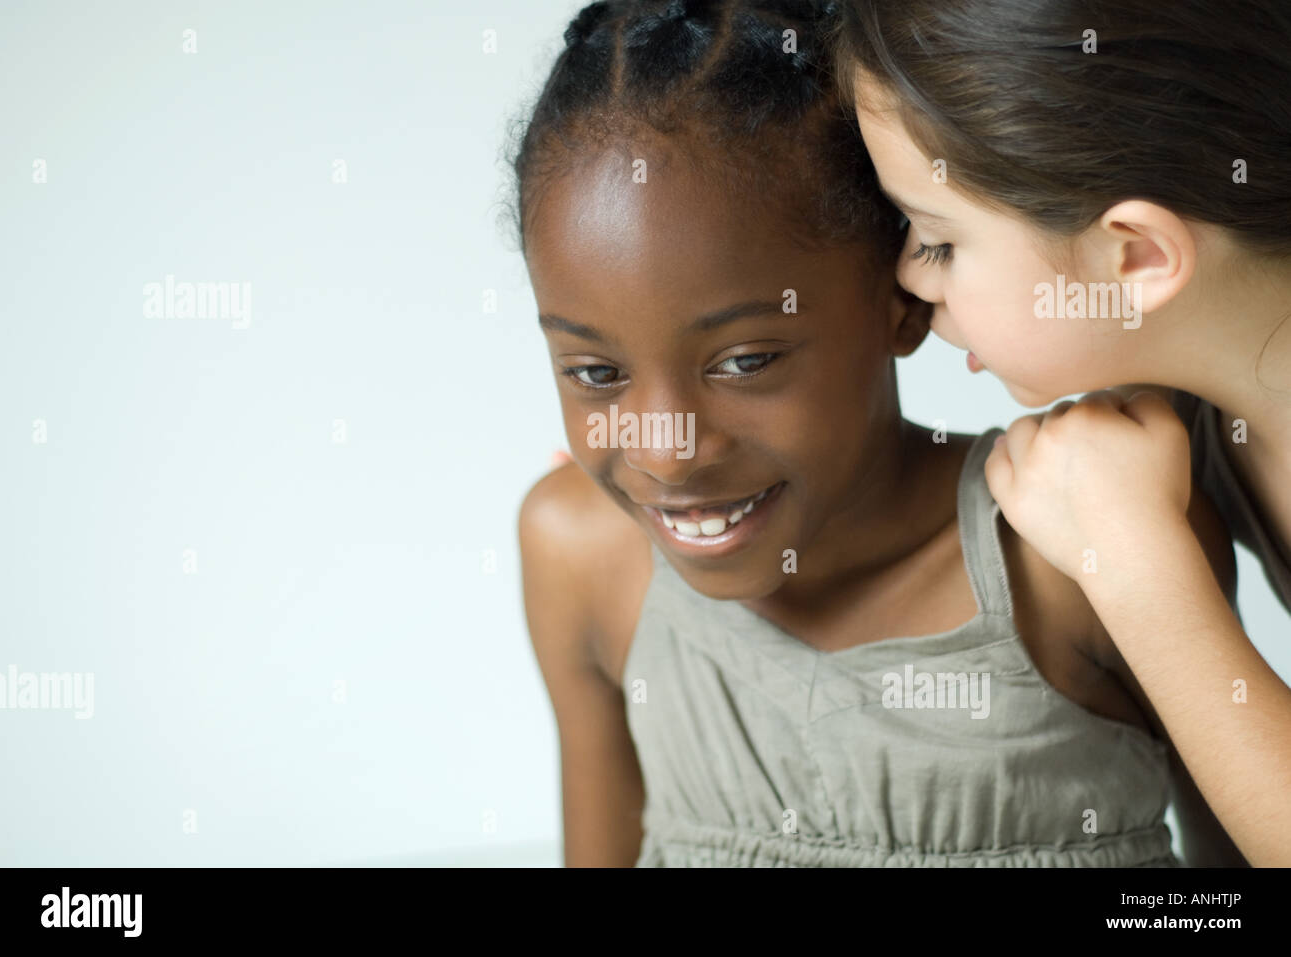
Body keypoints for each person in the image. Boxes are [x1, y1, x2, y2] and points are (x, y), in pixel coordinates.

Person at [513, 0, 1238, 866]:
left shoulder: (1081, 547)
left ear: (903, 295)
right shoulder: (580, 553)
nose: (664, 449)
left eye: (746, 360)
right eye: (596, 374)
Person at [840, 0, 1291, 864]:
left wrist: (1139, 573)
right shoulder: (1200, 400)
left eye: (937, 240)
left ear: (1138, 259)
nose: (906, 274)